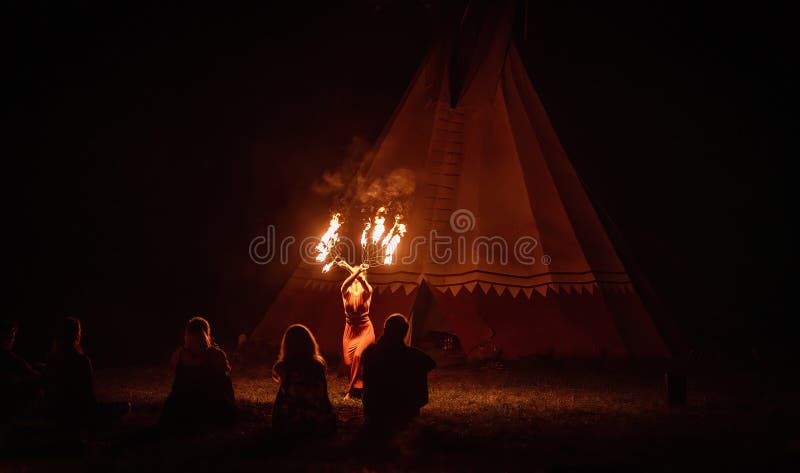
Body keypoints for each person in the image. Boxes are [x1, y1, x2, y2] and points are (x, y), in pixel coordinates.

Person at [362, 314, 435, 432]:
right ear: (404, 334)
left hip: (375, 408)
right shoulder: (412, 355)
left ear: (385, 330)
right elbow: (430, 364)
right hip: (403, 409)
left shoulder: (370, 352)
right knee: (417, 368)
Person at [160, 316, 235, 430]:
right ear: (207, 334)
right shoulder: (216, 355)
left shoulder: (179, 355)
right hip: (212, 407)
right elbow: (225, 376)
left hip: (182, 408)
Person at [271, 324, 336, 436]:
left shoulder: (284, 367)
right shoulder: (317, 365)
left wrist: (276, 421)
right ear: (310, 343)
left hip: (293, 421)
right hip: (314, 419)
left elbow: (282, 398)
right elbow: (324, 397)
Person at [42, 317, 98, 424]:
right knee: (124, 407)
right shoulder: (83, 361)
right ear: (77, 334)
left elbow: (47, 388)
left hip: (54, 411)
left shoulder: (52, 359)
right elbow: (89, 394)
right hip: (76, 412)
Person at [338, 260, 375, 399]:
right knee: (348, 362)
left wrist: (350, 268)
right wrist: (353, 270)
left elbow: (363, 281)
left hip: (365, 330)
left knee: (359, 356)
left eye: (360, 273)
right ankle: (357, 387)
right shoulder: (345, 291)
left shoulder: (367, 291)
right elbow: (346, 283)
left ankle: (351, 391)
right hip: (350, 331)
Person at [0, 320, 40, 419]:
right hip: (10, 411)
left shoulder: (14, 360)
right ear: (9, 337)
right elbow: (36, 377)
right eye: (13, 335)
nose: (13, 339)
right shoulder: (12, 360)